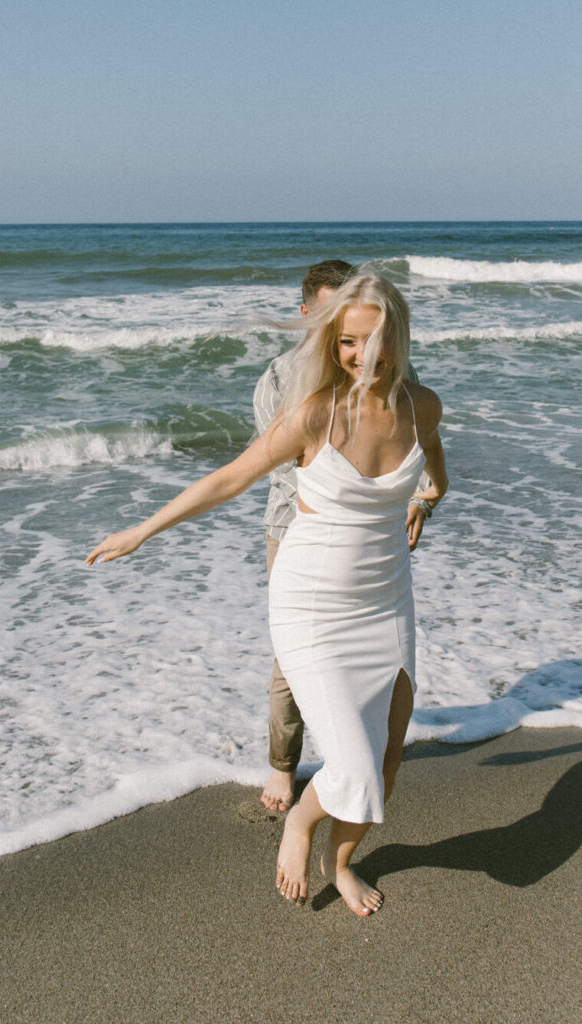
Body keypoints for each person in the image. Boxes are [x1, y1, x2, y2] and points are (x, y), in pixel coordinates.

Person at [86, 272, 447, 917]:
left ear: (400, 333)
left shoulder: (423, 405)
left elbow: (436, 469)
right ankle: (300, 826)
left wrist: (425, 499)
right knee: (355, 772)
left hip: (388, 599)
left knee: (385, 768)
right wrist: (142, 530)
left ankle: (340, 866)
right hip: (312, 603)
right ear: (331, 343)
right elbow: (231, 479)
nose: (363, 356)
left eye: (376, 340)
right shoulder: (315, 413)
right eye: (347, 344)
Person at [255, 260, 430, 813]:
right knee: (295, 658)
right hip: (298, 527)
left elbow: (410, 434)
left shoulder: (381, 361)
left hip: (375, 536)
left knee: (375, 654)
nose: (361, 348)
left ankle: (354, 754)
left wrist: (419, 495)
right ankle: (284, 767)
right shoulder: (282, 380)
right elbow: (282, 465)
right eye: (330, 317)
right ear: (308, 314)